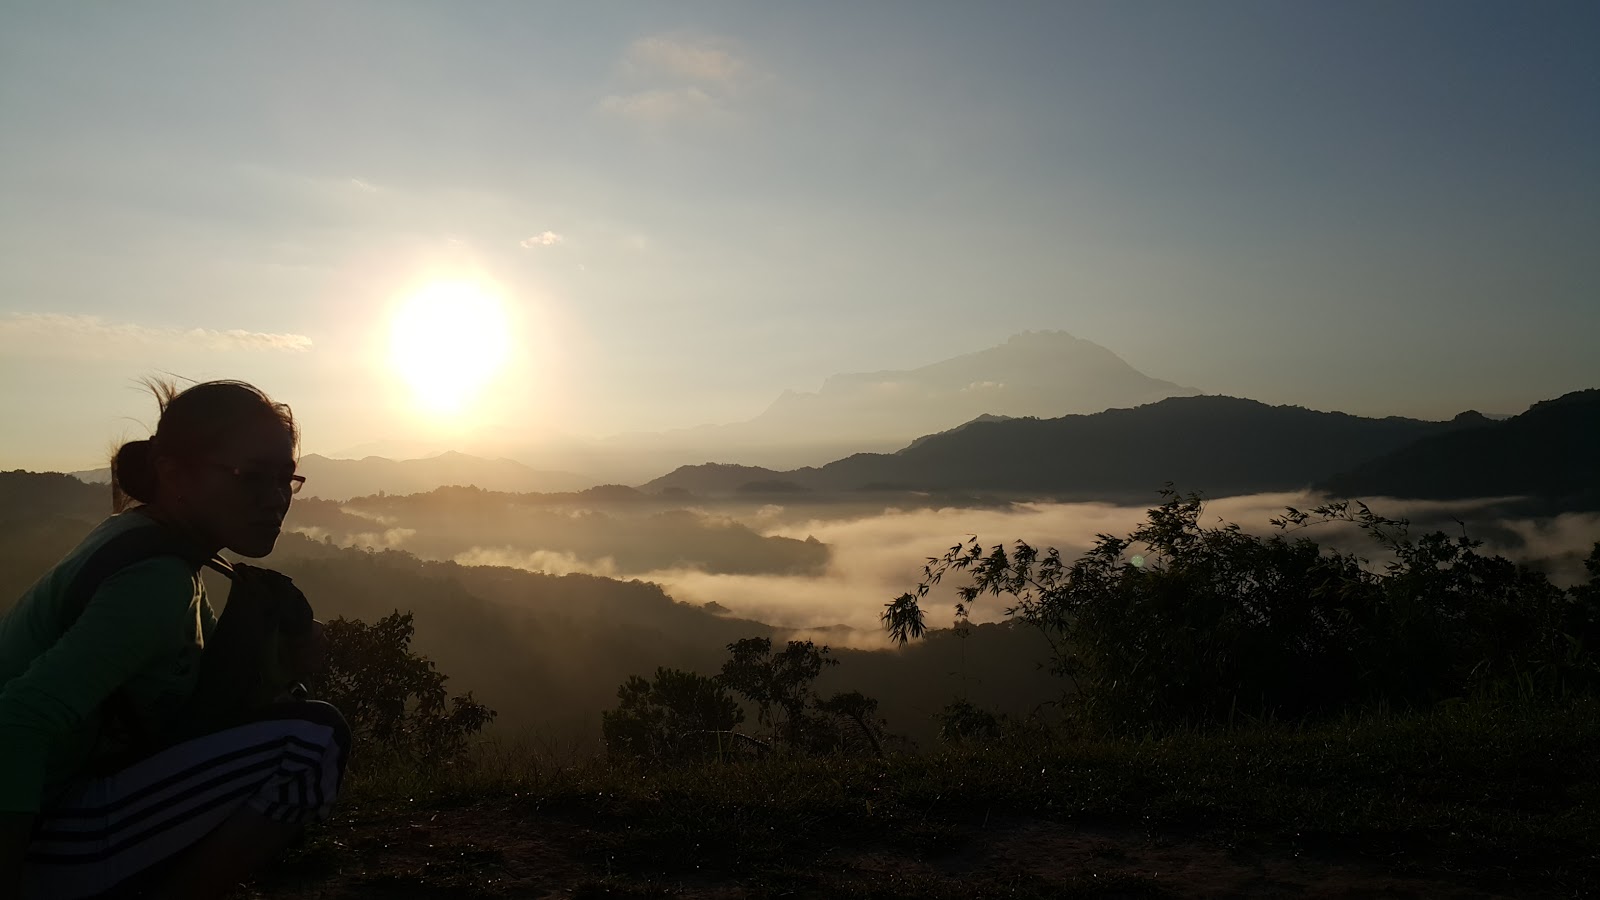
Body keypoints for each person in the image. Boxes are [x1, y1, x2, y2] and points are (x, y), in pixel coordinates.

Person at [0, 380, 349, 899]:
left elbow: (187, 713)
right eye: (252, 477)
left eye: (285, 479)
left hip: (60, 808)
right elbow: (19, 719)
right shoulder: (156, 581)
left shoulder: (144, 541)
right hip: (43, 832)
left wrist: (278, 668)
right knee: (313, 740)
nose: (275, 499)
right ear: (172, 473)